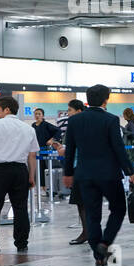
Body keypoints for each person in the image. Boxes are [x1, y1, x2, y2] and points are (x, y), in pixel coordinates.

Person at [64, 85, 134, 266]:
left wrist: (68, 174)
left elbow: (70, 150)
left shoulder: (74, 121)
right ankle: (105, 242)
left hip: (84, 175)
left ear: (88, 100)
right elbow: (118, 148)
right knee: (119, 209)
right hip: (109, 174)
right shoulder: (111, 120)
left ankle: (98, 255)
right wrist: (129, 171)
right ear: (106, 99)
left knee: (92, 214)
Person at [0, 96, 38, 255]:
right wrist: (31, 176)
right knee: (20, 208)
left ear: (7, 109)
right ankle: (22, 243)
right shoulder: (29, 128)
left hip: (0, 171)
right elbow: (32, 155)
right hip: (20, 170)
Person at [57, 99, 89, 244]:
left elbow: (73, 149)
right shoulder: (86, 124)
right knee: (84, 202)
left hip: (80, 168)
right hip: (86, 167)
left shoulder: (76, 126)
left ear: (78, 111)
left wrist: (63, 150)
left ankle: (87, 232)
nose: (67, 113)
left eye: (70, 110)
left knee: (82, 202)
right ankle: (88, 231)